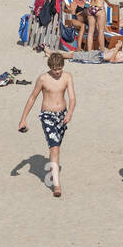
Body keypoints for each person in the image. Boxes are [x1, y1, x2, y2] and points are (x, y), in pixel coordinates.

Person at [18, 52, 76, 198]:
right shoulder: (43, 79)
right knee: (54, 148)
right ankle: (57, 186)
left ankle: (54, 173)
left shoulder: (67, 77)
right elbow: (32, 98)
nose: (57, 72)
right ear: (50, 67)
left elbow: (72, 98)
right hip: (47, 116)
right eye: (55, 69)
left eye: (60, 69)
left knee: (57, 147)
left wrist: (69, 113)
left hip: (62, 115)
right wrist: (23, 119)